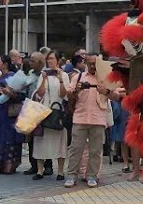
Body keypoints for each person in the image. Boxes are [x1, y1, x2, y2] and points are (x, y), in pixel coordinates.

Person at [64, 52, 119, 188]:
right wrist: (75, 91)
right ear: (85, 63)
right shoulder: (79, 77)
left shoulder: (107, 78)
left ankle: (92, 176)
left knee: (95, 150)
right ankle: (71, 175)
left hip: (98, 118)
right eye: (90, 63)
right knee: (75, 149)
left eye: (95, 63)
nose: (93, 66)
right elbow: (68, 95)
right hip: (80, 118)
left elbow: (117, 97)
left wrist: (106, 92)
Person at [32, 51, 70, 180]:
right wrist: (43, 80)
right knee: (41, 140)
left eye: (52, 59)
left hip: (57, 111)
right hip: (44, 110)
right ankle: (39, 170)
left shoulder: (64, 75)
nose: (50, 61)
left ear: (58, 60)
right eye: (48, 59)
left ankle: (60, 171)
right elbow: (40, 94)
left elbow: (64, 94)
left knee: (60, 141)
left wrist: (60, 80)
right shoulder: (43, 75)